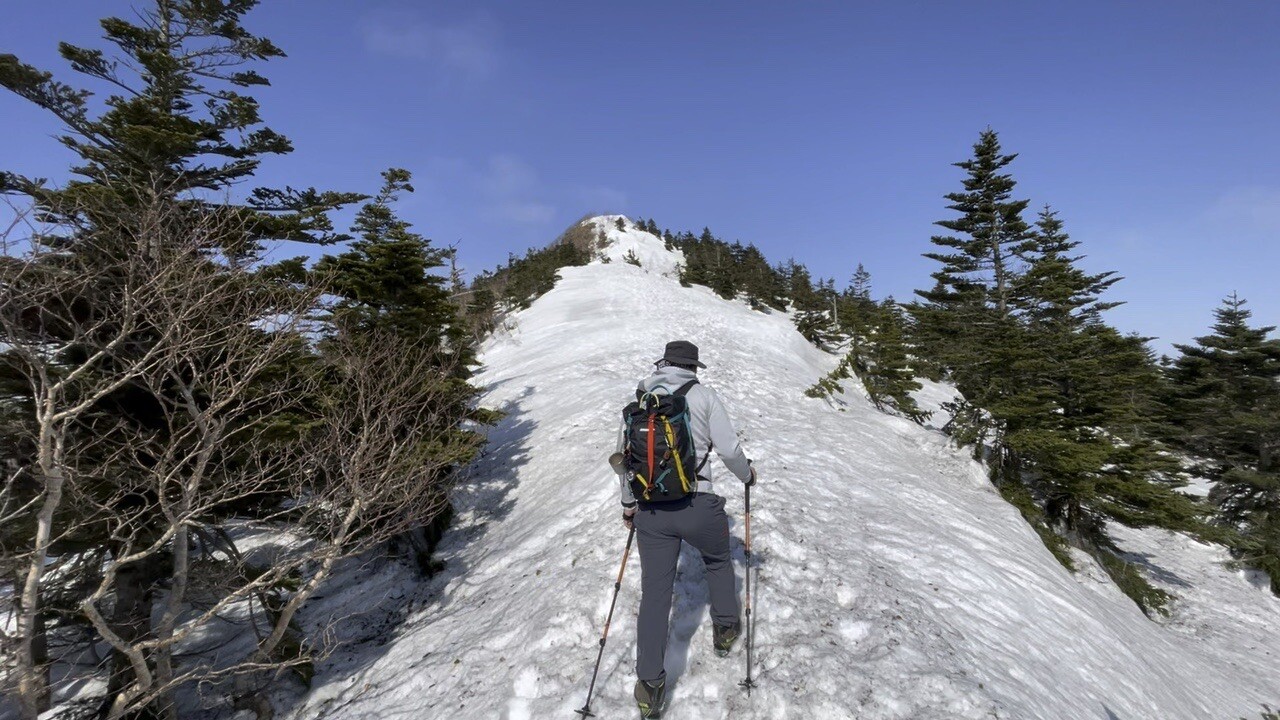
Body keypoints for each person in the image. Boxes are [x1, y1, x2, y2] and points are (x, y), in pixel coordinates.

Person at [618, 340, 757, 717]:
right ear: (693, 367)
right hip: (698, 503)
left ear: (664, 363)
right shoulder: (705, 396)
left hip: (651, 511)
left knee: (655, 594)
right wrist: (748, 476)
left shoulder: (640, 400)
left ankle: (649, 684)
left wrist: (629, 505)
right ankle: (725, 629)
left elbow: (624, 460)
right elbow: (728, 451)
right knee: (716, 560)